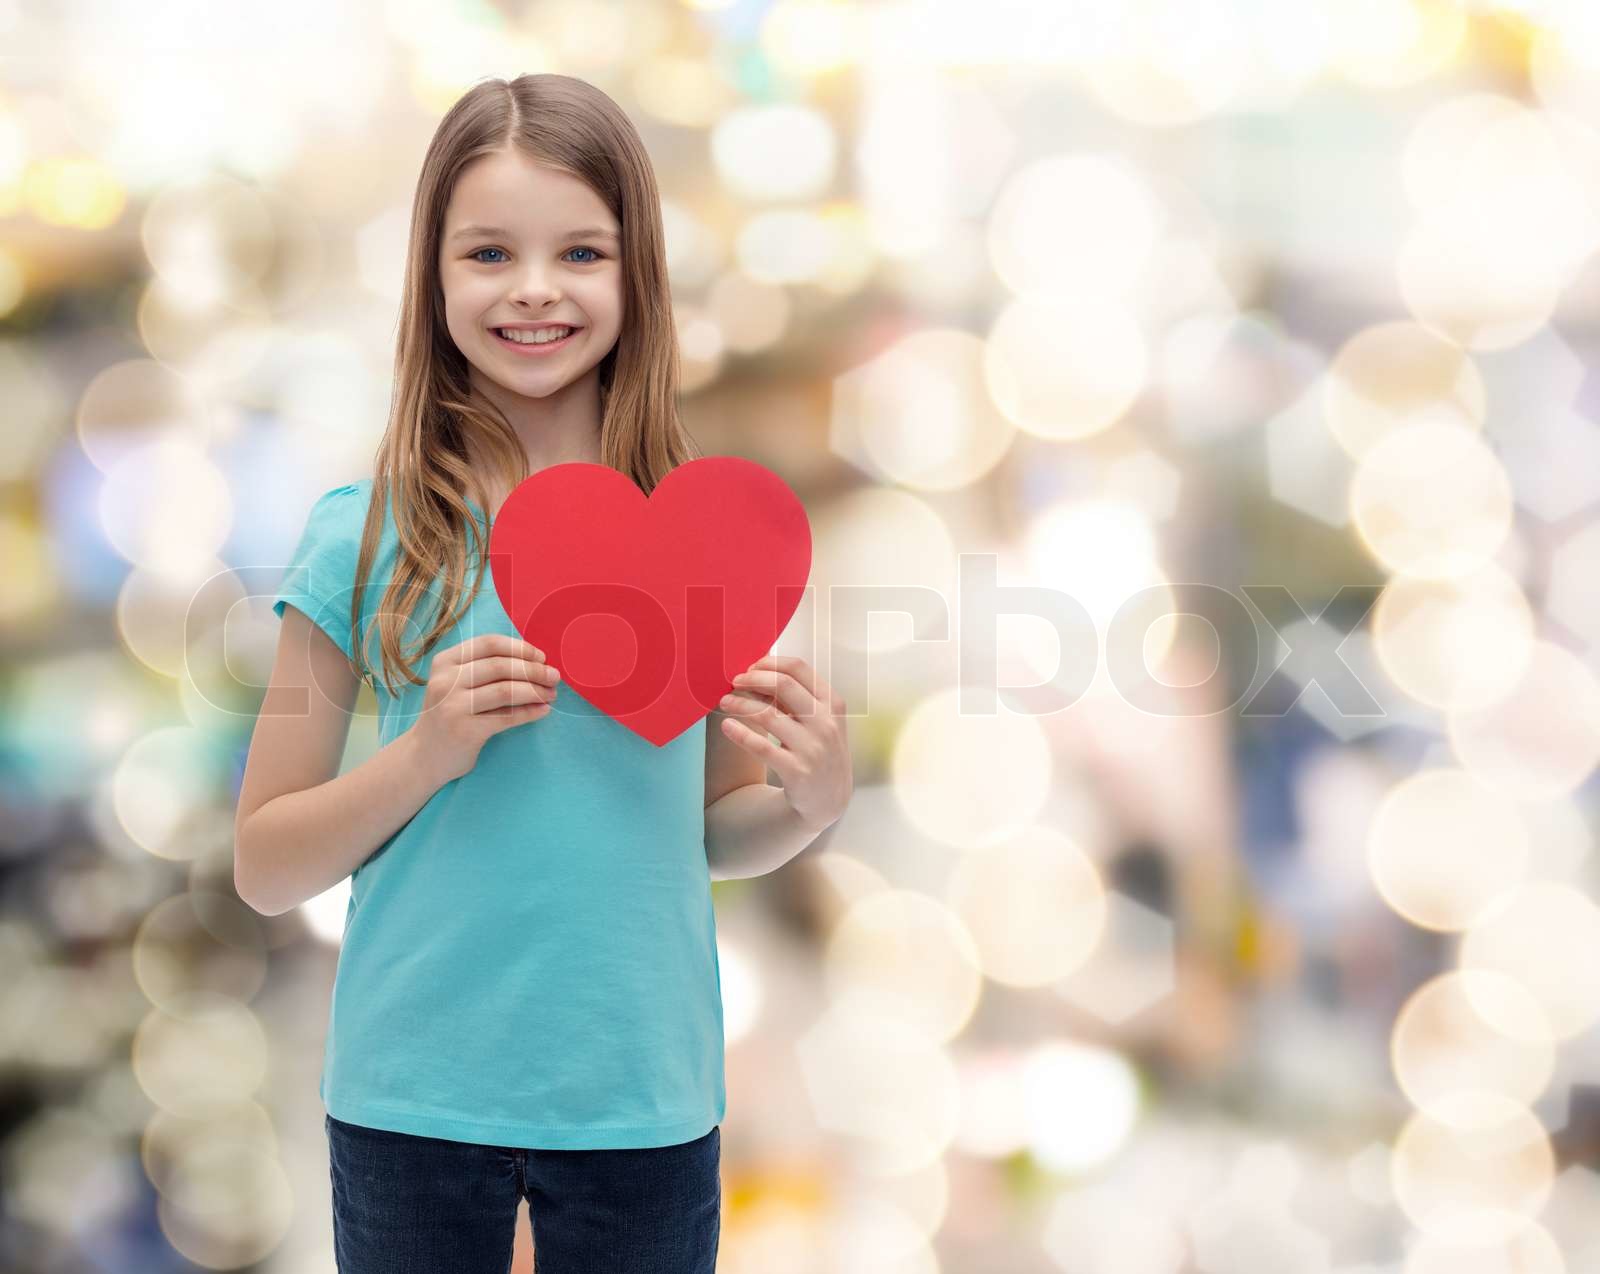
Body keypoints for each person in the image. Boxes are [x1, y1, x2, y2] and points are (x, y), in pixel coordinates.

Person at [233, 73, 853, 1274]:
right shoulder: (361, 537)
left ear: (636, 279)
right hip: (412, 1100)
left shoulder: (705, 539)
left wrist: (808, 803)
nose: (533, 288)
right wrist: (425, 753)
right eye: (487, 252)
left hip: (642, 1099)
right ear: (434, 279)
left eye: (580, 250)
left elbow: (703, 832)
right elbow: (265, 862)